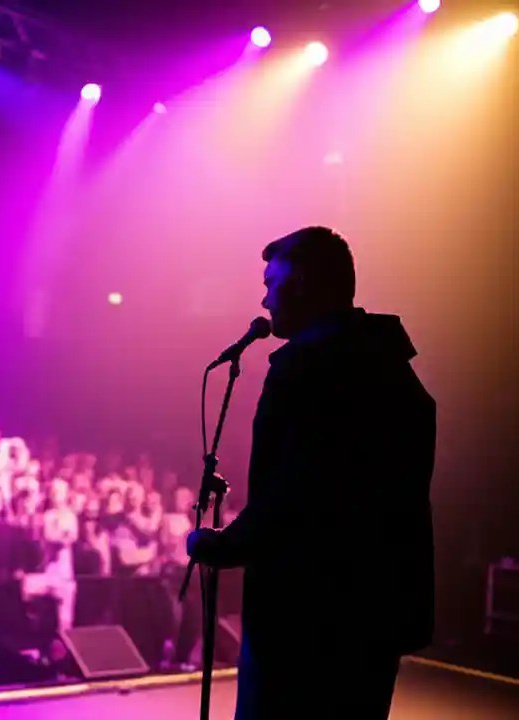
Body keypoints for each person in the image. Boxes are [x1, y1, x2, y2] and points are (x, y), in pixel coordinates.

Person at [186, 227, 435, 720]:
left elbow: (295, 495)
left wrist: (221, 545)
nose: (265, 298)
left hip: (304, 614)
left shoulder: (307, 369)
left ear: (300, 284)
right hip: (377, 611)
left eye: (271, 283)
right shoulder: (393, 368)